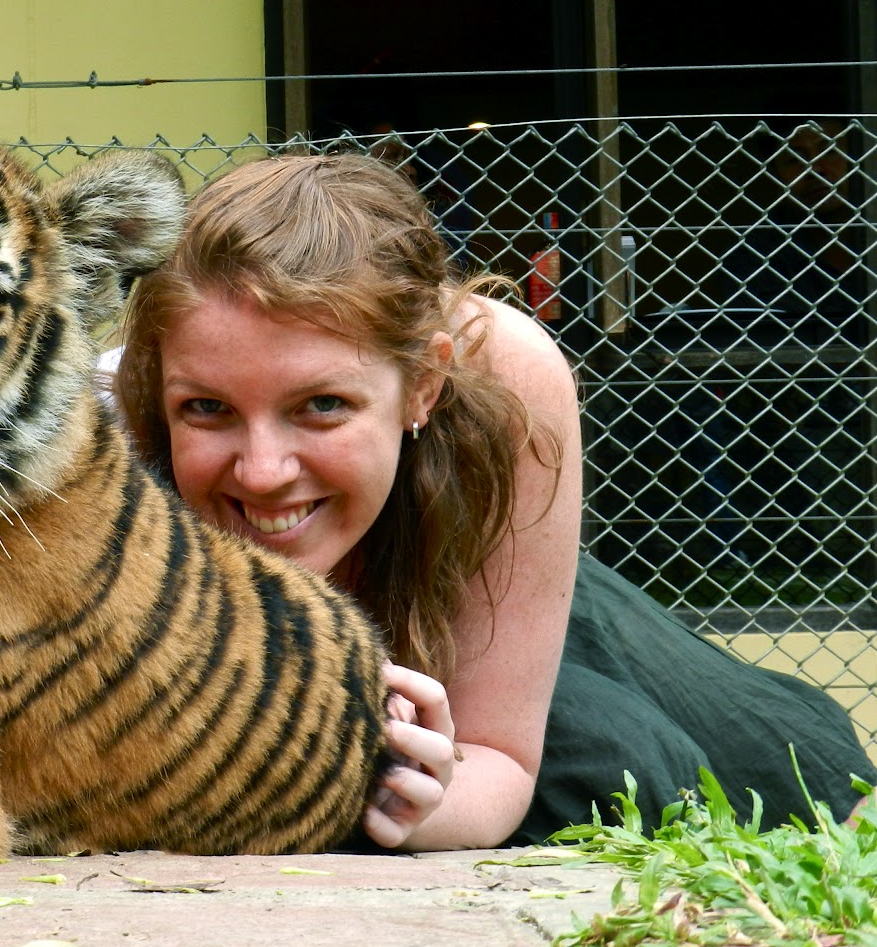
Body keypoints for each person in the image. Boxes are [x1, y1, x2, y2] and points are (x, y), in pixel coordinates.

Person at [111, 152, 875, 851]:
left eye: (322, 405)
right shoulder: (94, 440)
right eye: (207, 409)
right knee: (616, 752)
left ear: (425, 383)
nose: (264, 470)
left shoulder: (507, 374)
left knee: (759, 771)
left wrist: (408, 805)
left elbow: (501, 759)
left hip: (494, 596)